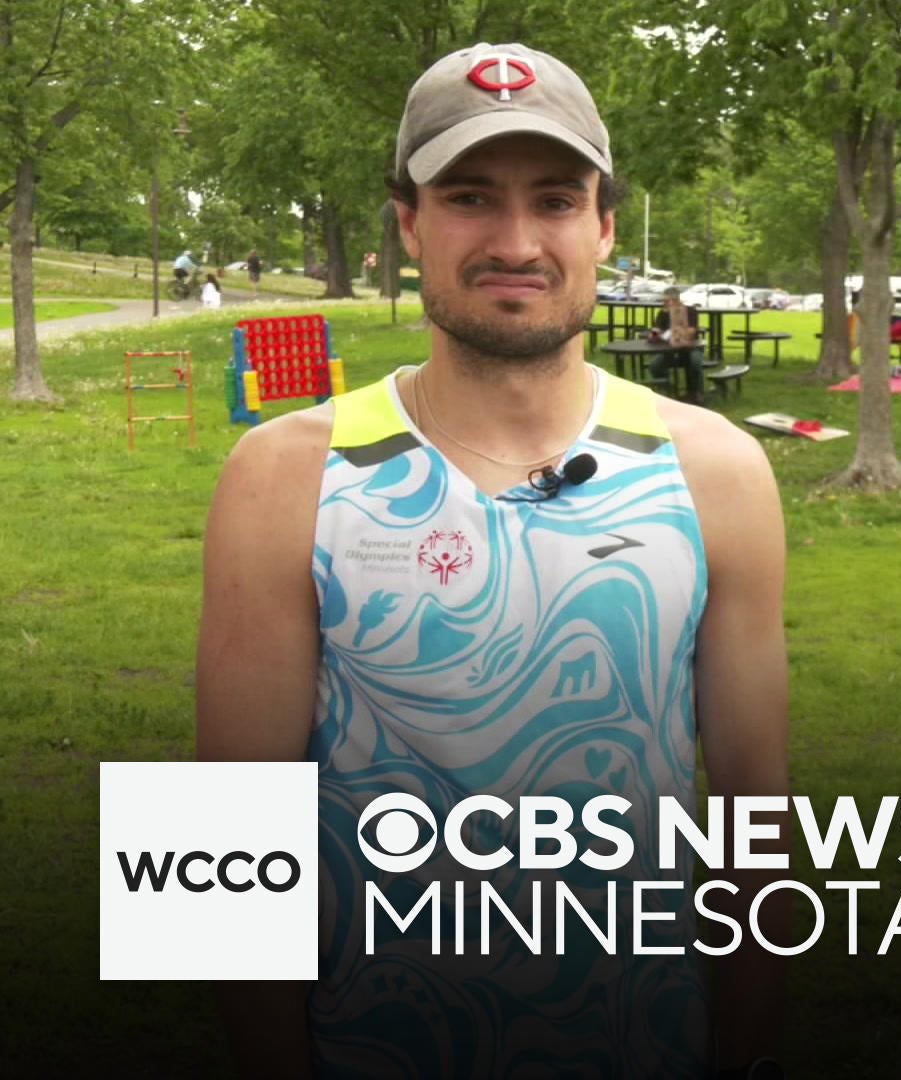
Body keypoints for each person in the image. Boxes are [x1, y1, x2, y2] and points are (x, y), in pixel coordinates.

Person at [196, 42, 790, 1079]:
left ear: (604, 226)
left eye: (555, 200)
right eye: (470, 197)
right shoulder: (283, 475)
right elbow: (223, 843)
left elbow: (757, 824)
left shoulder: (717, 473)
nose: (515, 241)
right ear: (409, 224)